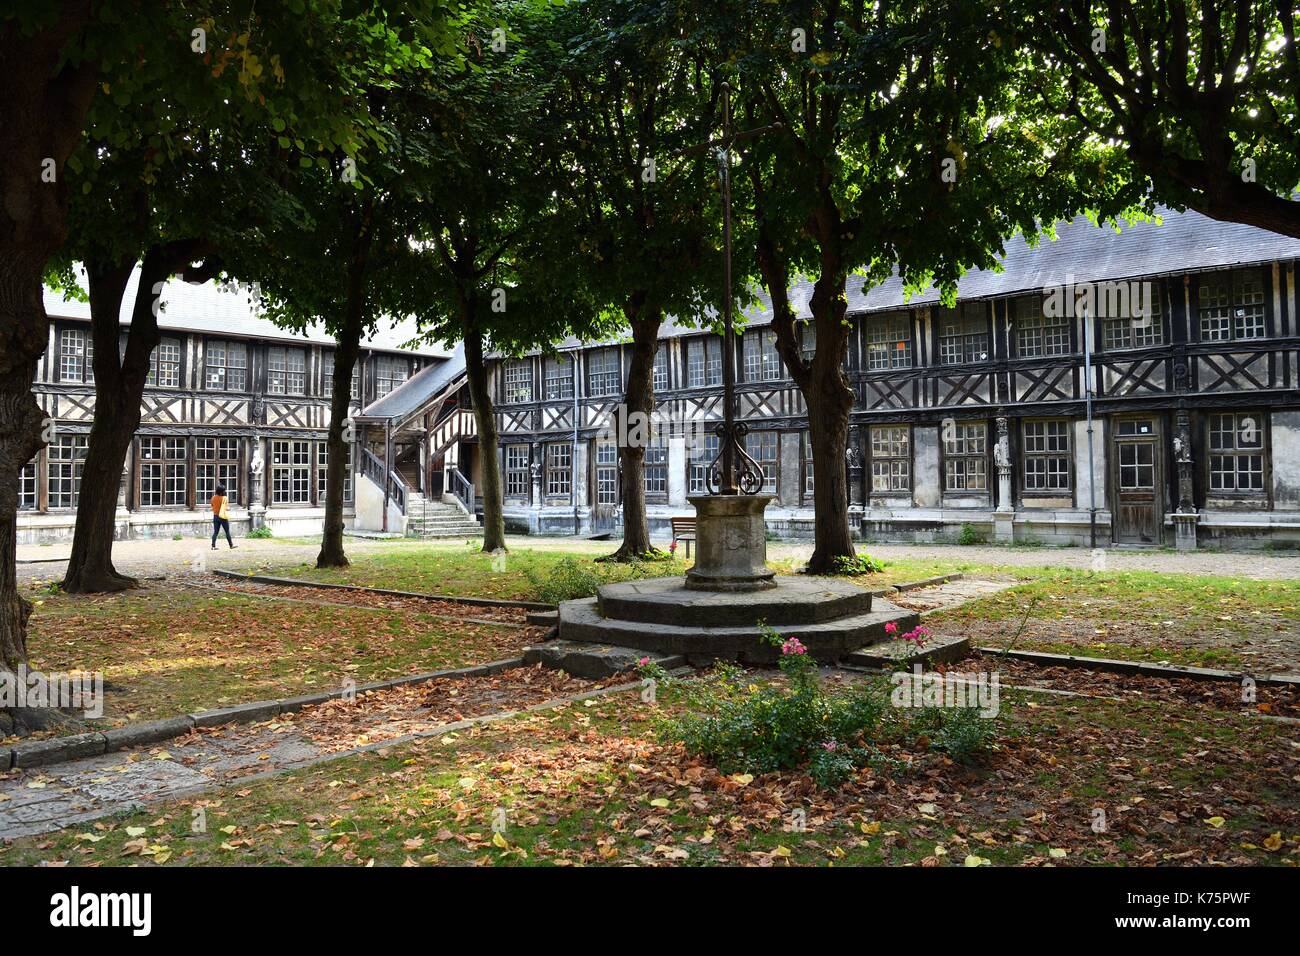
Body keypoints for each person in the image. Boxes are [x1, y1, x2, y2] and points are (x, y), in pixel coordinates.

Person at [211, 483, 236, 550]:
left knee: (215, 532)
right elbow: (226, 508)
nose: (225, 491)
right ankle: (231, 545)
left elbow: (212, 506)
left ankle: (213, 546)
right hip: (222, 516)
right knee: (227, 531)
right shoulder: (224, 498)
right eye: (224, 490)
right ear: (222, 491)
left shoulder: (213, 498)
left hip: (215, 516)